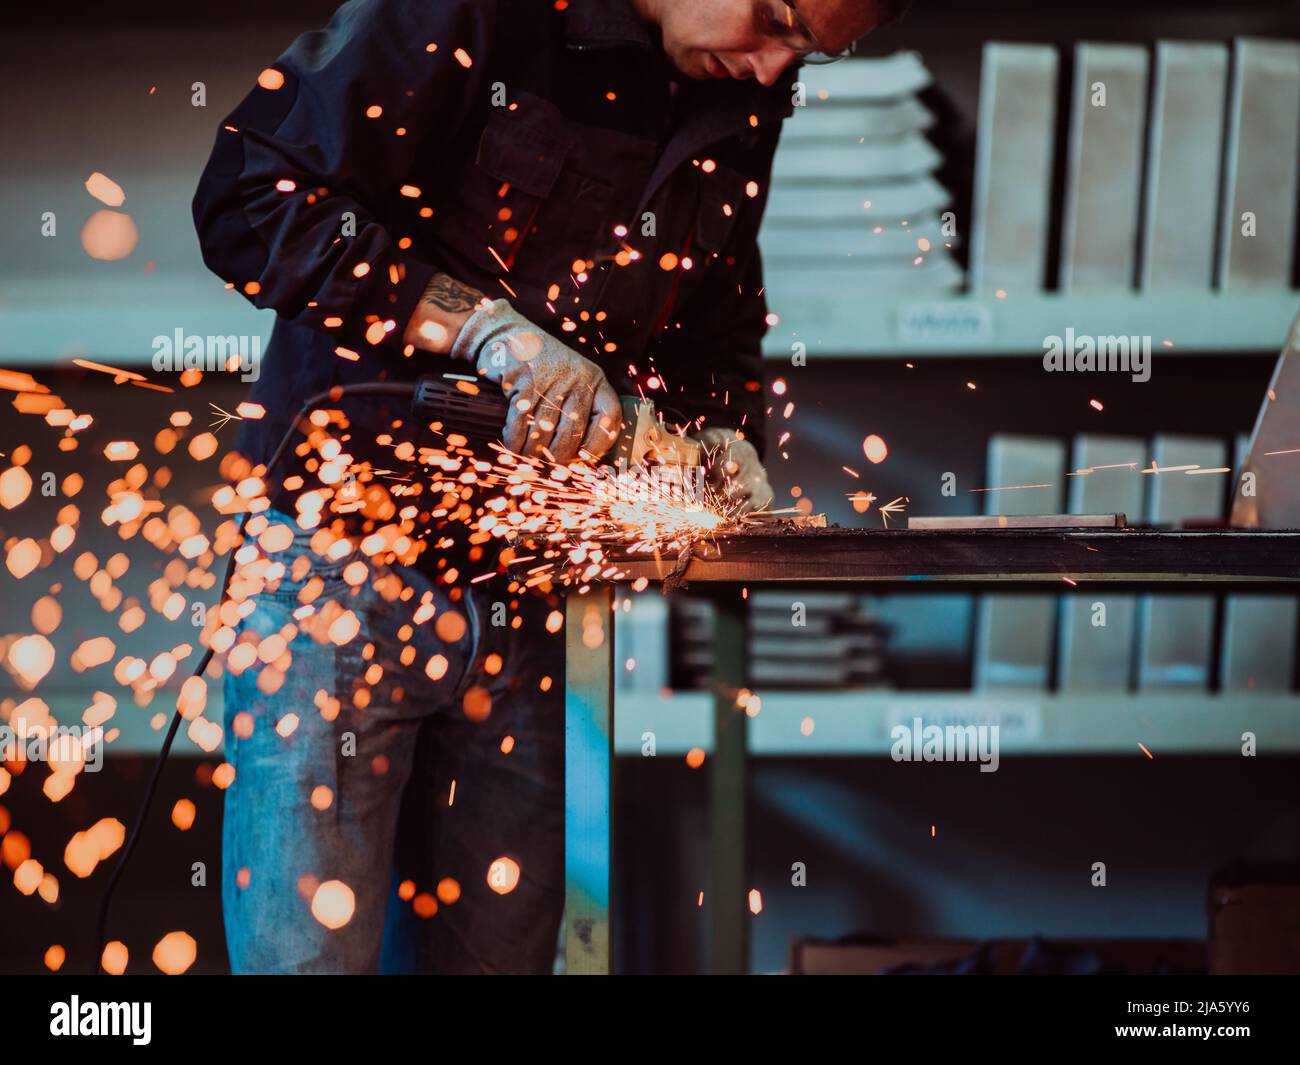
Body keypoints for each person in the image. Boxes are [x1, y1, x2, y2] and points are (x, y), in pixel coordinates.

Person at [193, 0, 902, 974]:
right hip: (336, 571)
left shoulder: (738, 96)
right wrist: (482, 329)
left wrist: (724, 433)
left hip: (527, 587)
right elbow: (252, 195)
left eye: (811, 53)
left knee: (502, 958)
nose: (776, 68)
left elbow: (716, 320)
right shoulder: (473, 10)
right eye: (776, 18)